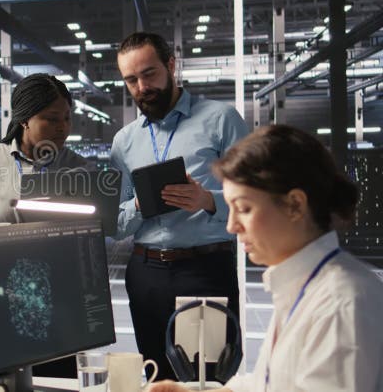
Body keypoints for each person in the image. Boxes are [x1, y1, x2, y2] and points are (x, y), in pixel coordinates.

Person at [149, 124, 383, 392]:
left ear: (294, 205)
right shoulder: (305, 285)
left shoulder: (341, 304)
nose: (232, 226)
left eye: (244, 209)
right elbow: (270, 384)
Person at [110, 32, 249, 380]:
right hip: (146, 274)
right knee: (158, 378)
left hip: (205, 269)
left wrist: (208, 201)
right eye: (131, 79)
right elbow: (114, 222)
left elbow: (255, 199)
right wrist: (141, 206)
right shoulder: (124, 142)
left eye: (150, 73)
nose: (142, 86)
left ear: (171, 66)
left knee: (208, 378)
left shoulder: (221, 120)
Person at [0, 72, 93, 229]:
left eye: (67, 118)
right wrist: (10, 233)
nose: (63, 127)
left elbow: (98, 224)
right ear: (24, 120)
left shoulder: (80, 168)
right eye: (52, 119)